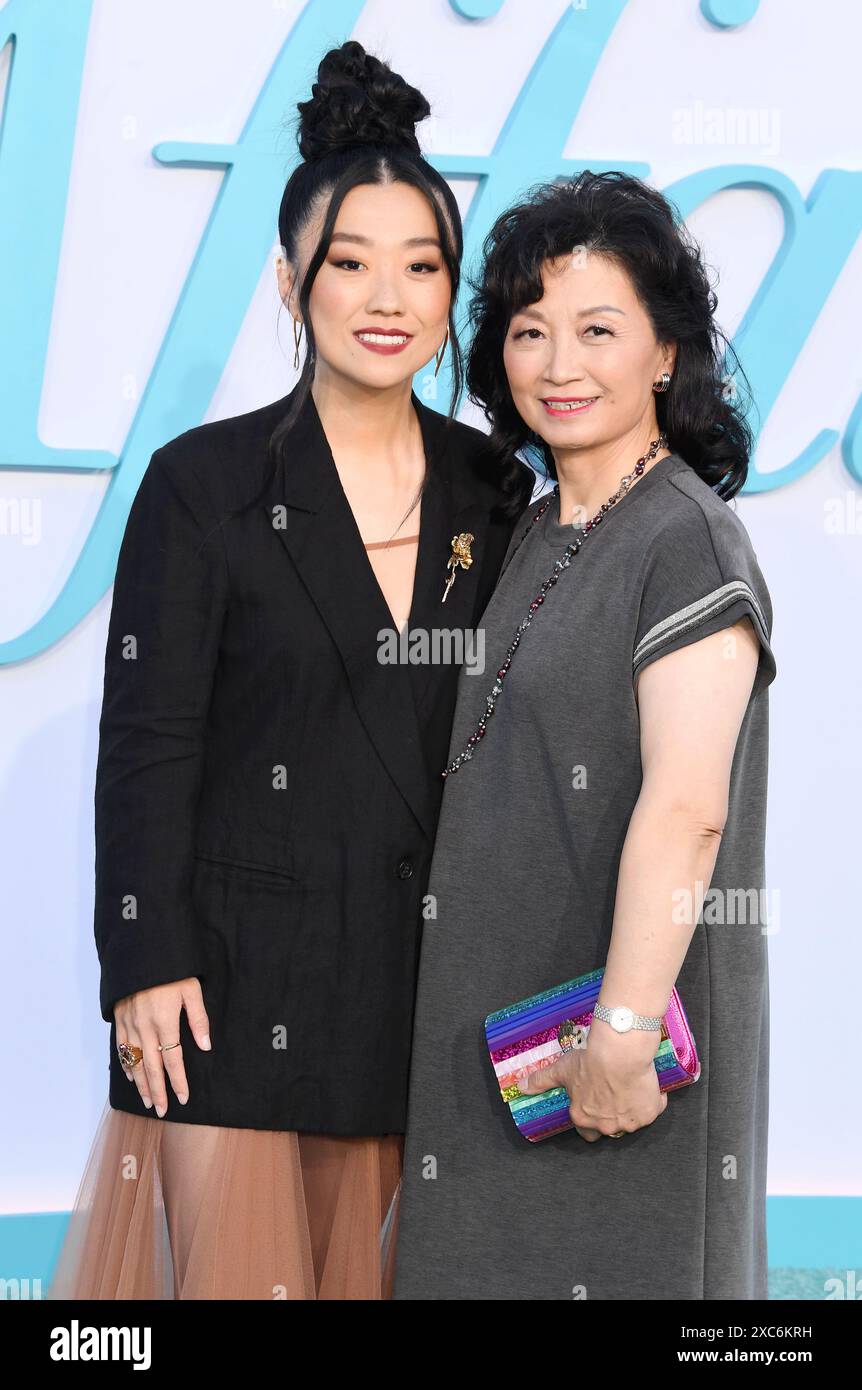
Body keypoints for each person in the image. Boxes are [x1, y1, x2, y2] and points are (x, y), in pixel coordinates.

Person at [48, 40, 532, 1301]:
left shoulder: (497, 485)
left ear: (450, 292)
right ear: (288, 278)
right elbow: (147, 737)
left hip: (423, 991)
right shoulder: (202, 483)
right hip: (232, 979)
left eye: (421, 265)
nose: (388, 295)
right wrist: (141, 957)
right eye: (350, 262)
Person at [391, 170, 777, 1301]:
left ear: (666, 353)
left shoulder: (686, 541)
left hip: (614, 1056)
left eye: (597, 330)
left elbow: (687, 804)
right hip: (500, 1047)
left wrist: (621, 1023)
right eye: (528, 331)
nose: (558, 365)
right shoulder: (526, 528)